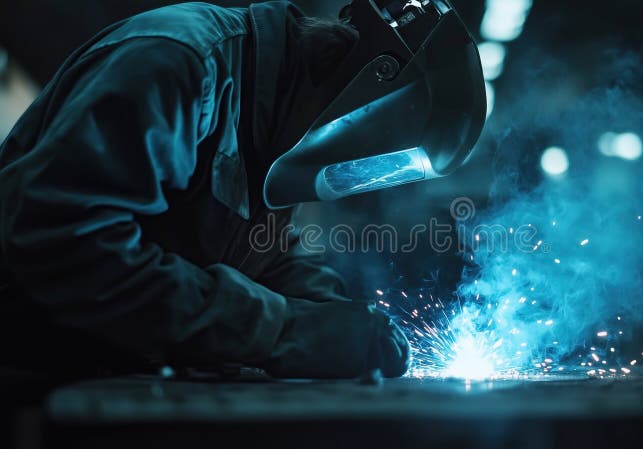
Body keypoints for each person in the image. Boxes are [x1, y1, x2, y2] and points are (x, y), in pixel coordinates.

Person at [0, 0, 486, 379]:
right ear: (363, 98)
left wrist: (335, 312)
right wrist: (285, 329)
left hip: (99, 377)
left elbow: (261, 256)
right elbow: (67, 241)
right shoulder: (177, 65)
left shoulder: (272, 116)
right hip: (26, 380)